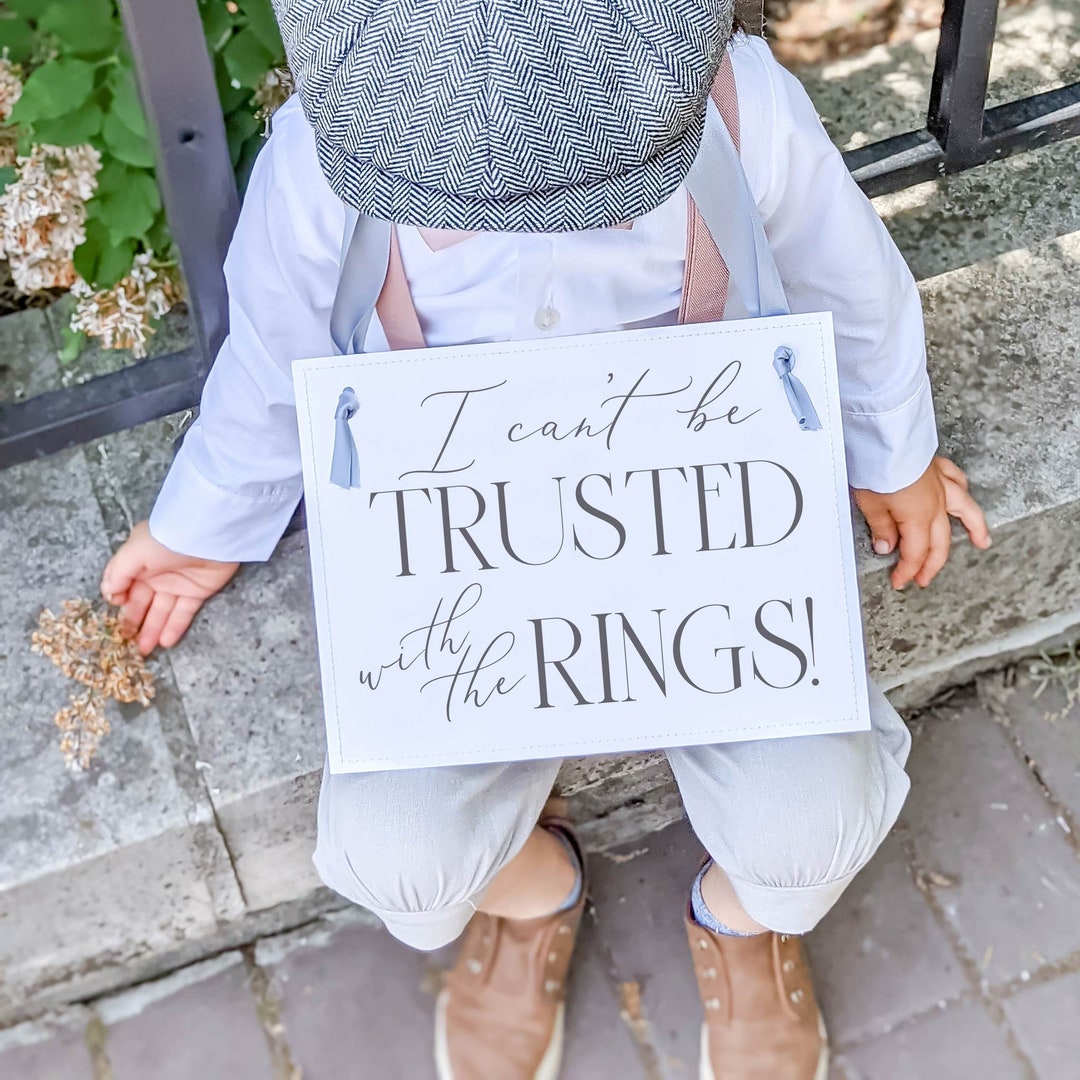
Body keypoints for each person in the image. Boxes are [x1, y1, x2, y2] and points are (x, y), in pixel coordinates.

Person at [100, 2, 992, 1076]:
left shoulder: (738, 102)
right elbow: (274, 358)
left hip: (708, 559)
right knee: (401, 860)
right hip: (463, 586)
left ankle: (744, 920)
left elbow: (856, 293)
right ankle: (534, 891)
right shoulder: (322, 160)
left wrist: (889, 451)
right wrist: (204, 524)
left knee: (809, 826)